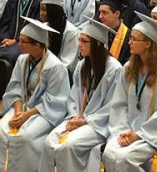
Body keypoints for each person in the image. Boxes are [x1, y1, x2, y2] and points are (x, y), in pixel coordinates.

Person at [0, 17, 71, 172]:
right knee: (0, 132)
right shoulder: (22, 60)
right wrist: (18, 111)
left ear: (37, 44)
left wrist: (27, 115)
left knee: (26, 137)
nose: (18, 44)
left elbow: (55, 100)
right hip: (23, 106)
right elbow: (15, 88)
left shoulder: (55, 67)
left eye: (23, 41)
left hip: (45, 112)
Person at [39, 17, 122, 172]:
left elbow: (112, 106)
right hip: (78, 118)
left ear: (97, 44)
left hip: (99, 125)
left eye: (84, 41)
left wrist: (84, 121)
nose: (79, 45)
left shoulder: (114, 70)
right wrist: (74, 118)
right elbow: (73, 98)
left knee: (68, 146)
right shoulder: (81, 66)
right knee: (49, 142)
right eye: (79, 40)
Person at [102, 12, 157, 172]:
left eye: (134, 39)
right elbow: (119, 104)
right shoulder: (128, 69)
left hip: (153, 135)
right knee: (109, 153)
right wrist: (123, 131)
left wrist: (138, 135)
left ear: (148, 44)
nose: (129, 42)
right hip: (126, 129)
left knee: (124, 158)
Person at [39, 0, 80, 73]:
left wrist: (47, 70)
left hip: (61, 74)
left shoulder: (71, 32)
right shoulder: (43, 27)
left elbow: (68, 64)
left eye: (44, 10)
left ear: (53, 11)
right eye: (40, 9)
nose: (41, 13)